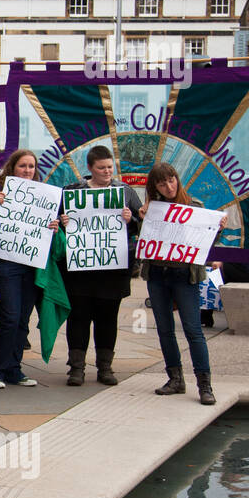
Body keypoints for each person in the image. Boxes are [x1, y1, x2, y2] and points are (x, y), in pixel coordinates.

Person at [138, 162, 227, 404]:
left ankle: (204, 385)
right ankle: (175, 378)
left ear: (177, 179)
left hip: (184, 276)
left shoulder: (194, 207)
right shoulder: (151, 210)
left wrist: (216, 230)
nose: (168, 186)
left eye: (171, 180)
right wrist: (141, 219)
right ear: (154, 186)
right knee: (165, 330)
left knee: (193, 330)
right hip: (157, 275)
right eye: (162, 183)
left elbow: (204, 243)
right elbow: (142, 240)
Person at [59, 145, 142, 386]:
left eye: (109, 167)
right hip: (80, 268)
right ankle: (76, 368)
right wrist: (63, 222)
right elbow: (57, 223)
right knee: (79, 317)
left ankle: (105, 367)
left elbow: (142, 220)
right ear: (90, 168)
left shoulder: (124, 191)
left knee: (108, 317)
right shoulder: (72, 192)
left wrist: (131, 219)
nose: (107, 172)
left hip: (112, 267)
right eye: (101, 168)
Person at [0, 149, 60, 388]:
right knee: (10, 316)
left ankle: (13, 369)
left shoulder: (44, 196)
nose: (27, 170)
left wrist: (54, 226)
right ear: (12, 168)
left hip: (32, 263)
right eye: (22, 166)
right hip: (6, 262)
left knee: (23, 319)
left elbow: (48, 228)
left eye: (31, 166)